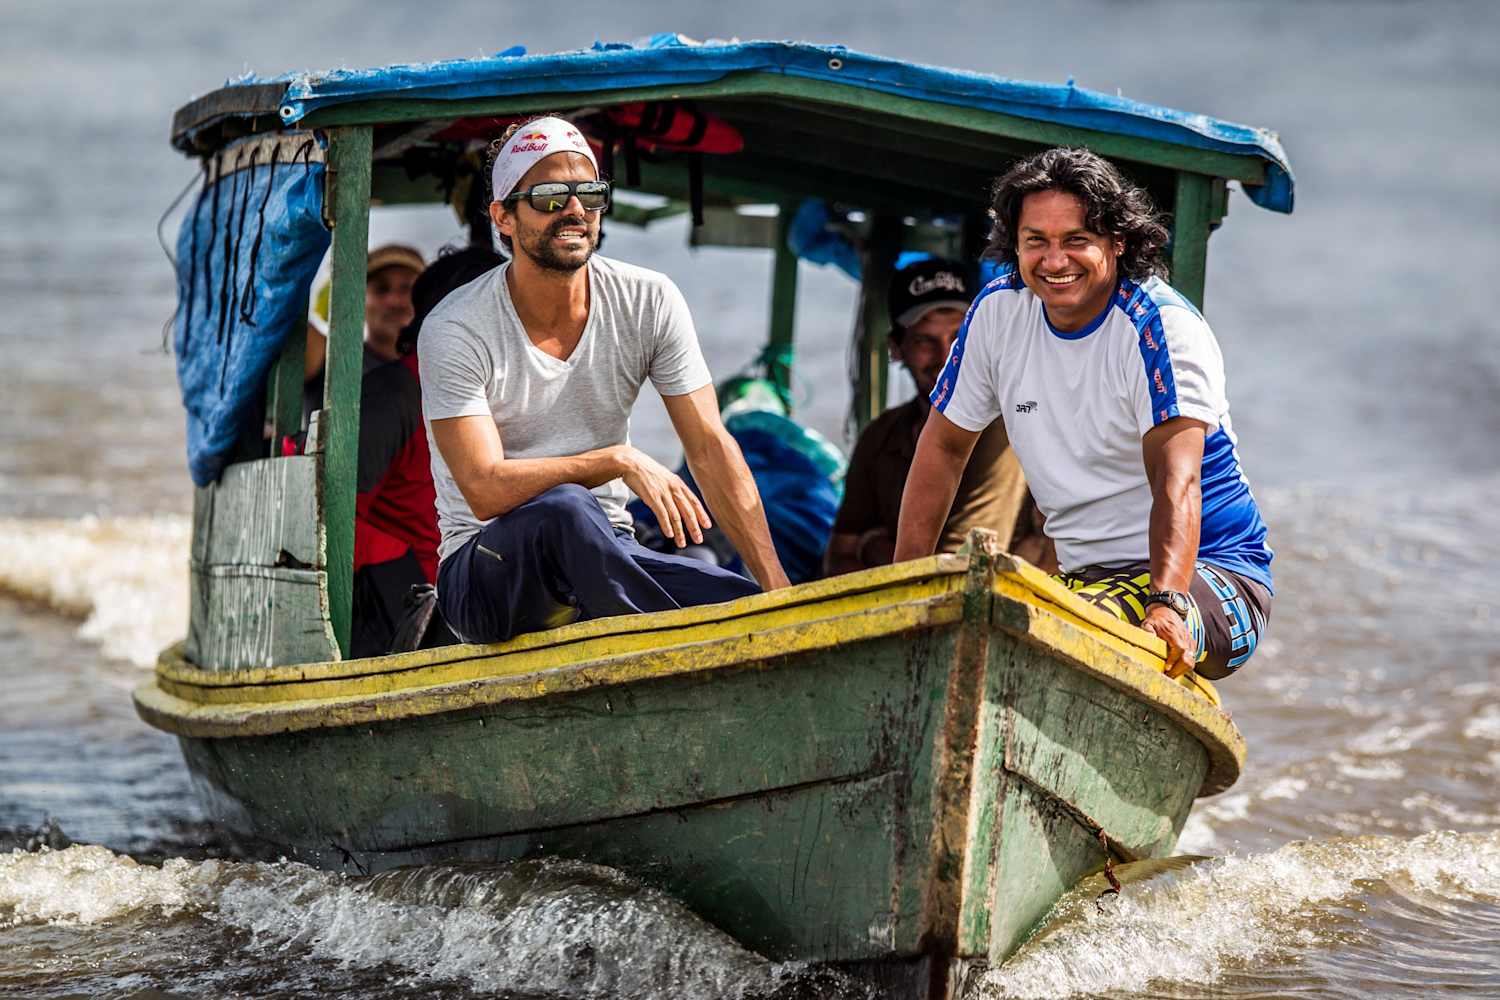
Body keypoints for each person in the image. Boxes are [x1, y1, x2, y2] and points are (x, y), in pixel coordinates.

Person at [895, 147, 1272, 680]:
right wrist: (907, 582)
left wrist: (1167, 602)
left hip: (1210, 576)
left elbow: (1178, 480)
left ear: (1117, 241)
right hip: (1086, 579)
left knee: (1051, 641)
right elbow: (943, 447)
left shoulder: (1159, 327)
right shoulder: (998, 312)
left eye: (1076, 240)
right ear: (1014, 244)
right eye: (1036, 241)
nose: (1054, 262)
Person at [419, 115, 790, 644]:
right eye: (550, 197)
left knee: (741, 604)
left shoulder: (648, 299)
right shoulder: (456, 326)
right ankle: (662, 641)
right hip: (484, 574)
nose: (574, 210)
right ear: (503, 216)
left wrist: (778, 591)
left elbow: (710, 446)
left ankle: (685, 630)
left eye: (590, 195)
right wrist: (616, 460)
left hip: (608, 552)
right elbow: (483, 489)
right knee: (566, 509)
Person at [824, 258, 1028, 576]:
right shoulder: (881, 435)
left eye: (958, 337)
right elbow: (839, 557)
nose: (946, 357)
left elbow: (959, 570)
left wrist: (872, 546)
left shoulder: (1004, 428)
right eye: (924, 341)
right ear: (896, 348)